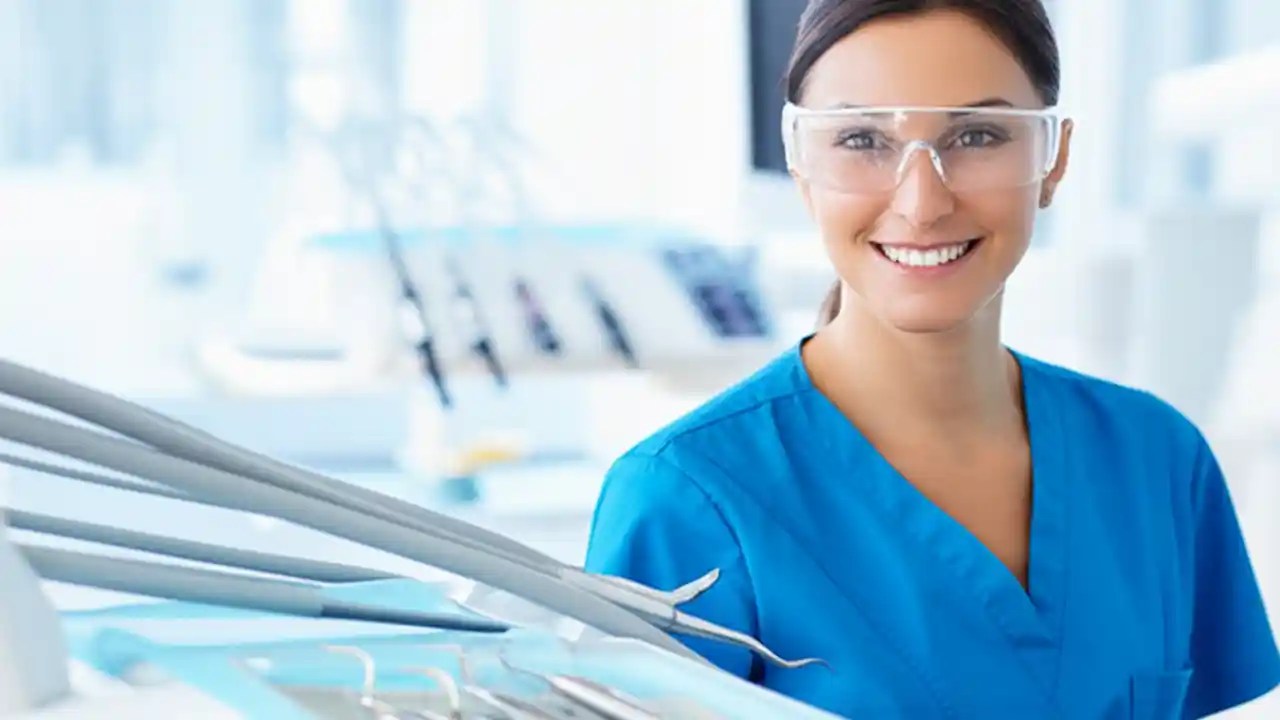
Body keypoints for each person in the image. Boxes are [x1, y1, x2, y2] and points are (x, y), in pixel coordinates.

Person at [583, 0, 1280, 717]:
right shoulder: (685, 500)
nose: (922, 202)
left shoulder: (1154, 459)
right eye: (861, 139)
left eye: (977, 135)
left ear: (1055, 158)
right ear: (800, 163)